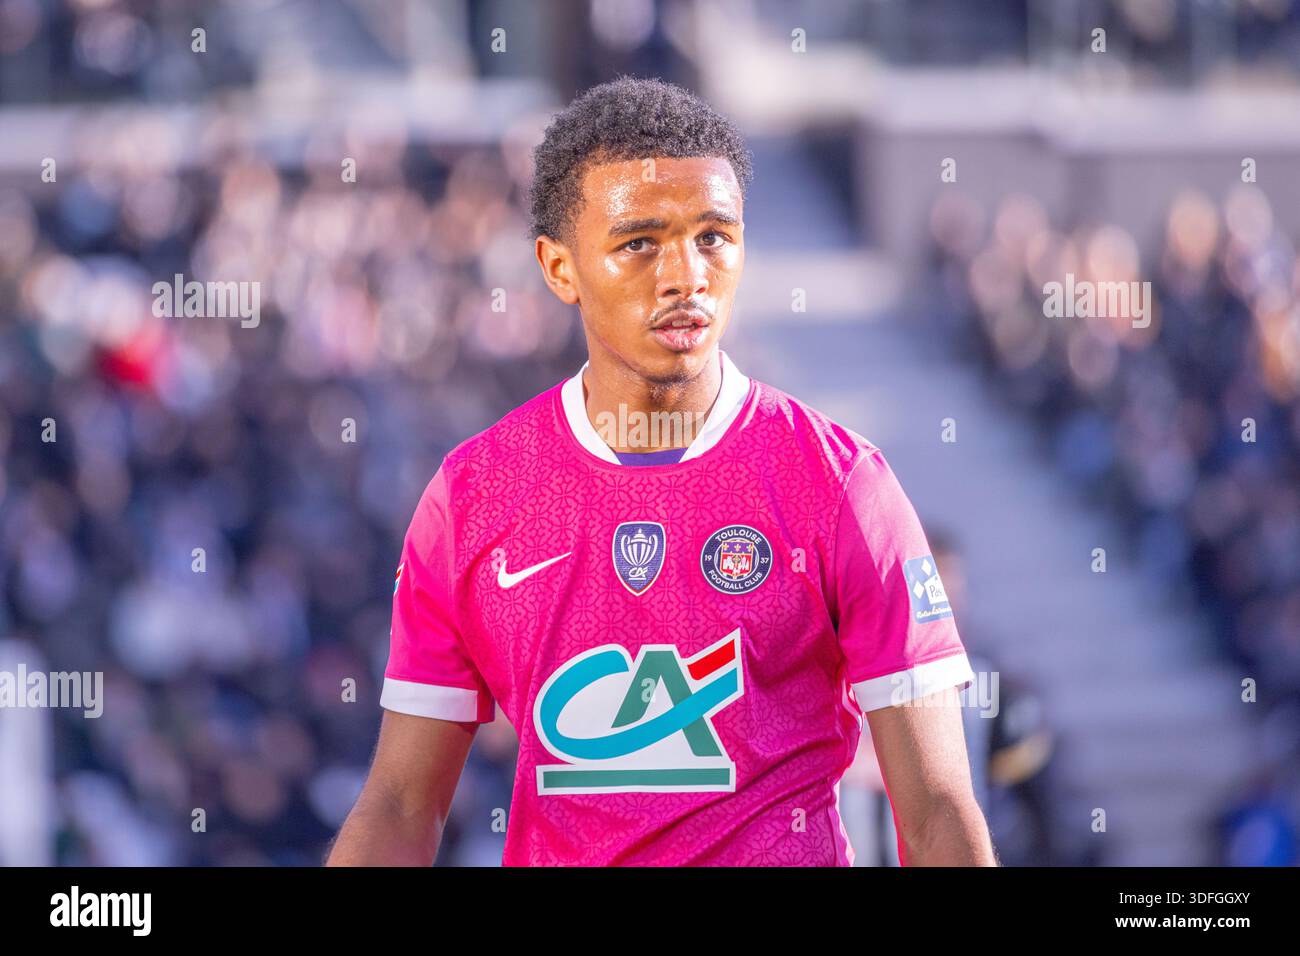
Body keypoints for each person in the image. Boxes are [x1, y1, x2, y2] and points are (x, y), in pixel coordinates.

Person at [326, 76, 996, 866]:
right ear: (559, 267)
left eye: (713, 236)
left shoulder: (842, 485)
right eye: (639, 242)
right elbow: (403, 805)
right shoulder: (474, 497)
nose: (686, 276)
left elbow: (940, 809)